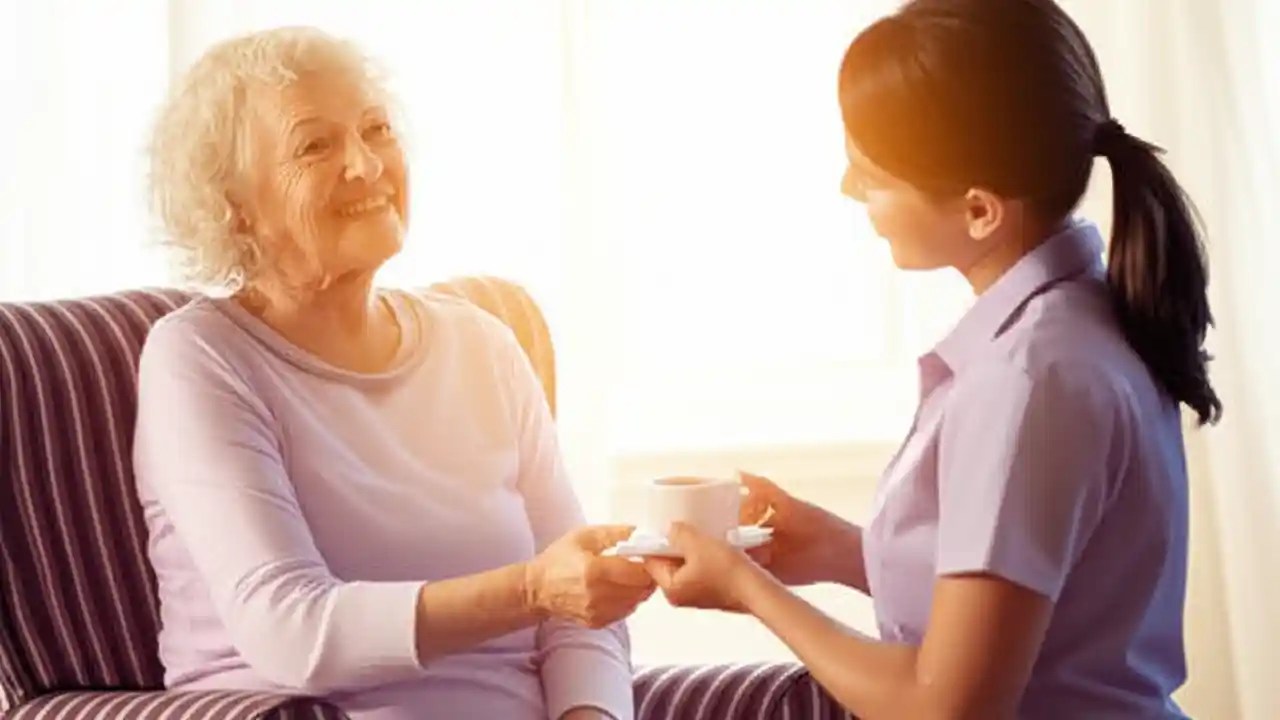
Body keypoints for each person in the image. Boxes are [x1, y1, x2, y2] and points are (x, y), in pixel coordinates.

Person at [643, 1, 1220, 718]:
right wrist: (833, 550)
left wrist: (750, 589)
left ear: (980, 211)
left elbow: (947, 707)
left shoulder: (1030, 380)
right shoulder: (1086, 320)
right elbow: (1019, 610)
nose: (849, 190)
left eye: (872, 174)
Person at [134, 27, 650, 720]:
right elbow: (292, 633)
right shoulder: (201, 359)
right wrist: (532, 589)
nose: (366, 165)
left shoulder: (481, 345)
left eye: (375, 129)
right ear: (235, 206)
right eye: (315, 145)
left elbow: (582, 605)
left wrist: (588, 714)